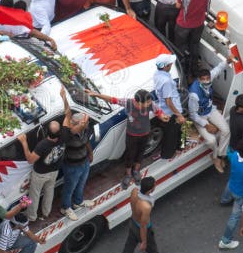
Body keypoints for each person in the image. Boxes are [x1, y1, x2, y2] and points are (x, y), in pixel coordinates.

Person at [175, 0, 243, 78]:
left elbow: (177, 6)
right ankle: (194, 69)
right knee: (194, 46)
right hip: (198, 25)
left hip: (183, 26)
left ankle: (181, 67)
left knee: (180, 47)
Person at [86, 88, 167, 188]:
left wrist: (162, 116)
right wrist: (95, 95)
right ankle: (128, 175)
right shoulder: (128, 103)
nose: (150, 103)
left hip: (145, 134)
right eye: (148, 102)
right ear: (139, 102)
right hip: (132, 136)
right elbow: (112, 99)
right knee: (130, 155)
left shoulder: (150, 104)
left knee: (140, 153)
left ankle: (136, 171)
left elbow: (158, 111)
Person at [114, 177, 169, 253]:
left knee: (128, 249)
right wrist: (143, 242)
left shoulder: (134, 191)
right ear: (150, 190)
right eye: (154, 185)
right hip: (142, 228)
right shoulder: (146, 206)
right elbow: (143, 226)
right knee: (151, 246)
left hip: (133, 222)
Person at [187, 61, 233, 173]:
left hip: (210, 109)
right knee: (212, 140)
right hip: (200, 117)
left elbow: (218, 68)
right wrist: (206, 125)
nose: (207, 80)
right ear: (199, 79)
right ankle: (215, 157)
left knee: (226, 130)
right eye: (203, 79)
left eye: (208, 78)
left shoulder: (208, 79)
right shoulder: (194, 94)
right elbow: (193, 114)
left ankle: (221, 155)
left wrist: (228, 60)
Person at [17, 121, 65, 223]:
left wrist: (24, 142)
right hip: (54, 171)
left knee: (34, 194)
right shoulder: (64, 137)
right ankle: (46, 212)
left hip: (40, 174)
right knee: (49, 191)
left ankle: (31, 216)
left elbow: (30, 160)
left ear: (47, 131)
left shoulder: (43, 145)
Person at [59, 88, 95, 221]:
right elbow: (68, 116)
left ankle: (78, 202)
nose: (88, 123)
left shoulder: (84, 130)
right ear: (80, 123)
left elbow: (86, 142)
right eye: (86, 121)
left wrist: (90, 153)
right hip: (72, 166)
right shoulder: (67, 134)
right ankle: (66, 208)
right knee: (69, 188)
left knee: (81, 184)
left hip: (84, 162)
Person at [152, 54, 186, 161]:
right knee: (171, 134)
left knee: (175, 131)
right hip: (172, 112)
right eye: (170, 63)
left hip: (164, 110)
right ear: (166, 66)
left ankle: (180, 146)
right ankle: (168, 154)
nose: (172, 64)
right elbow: (168, 101)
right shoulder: (166, 81)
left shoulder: (157, 74)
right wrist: (179, 115)